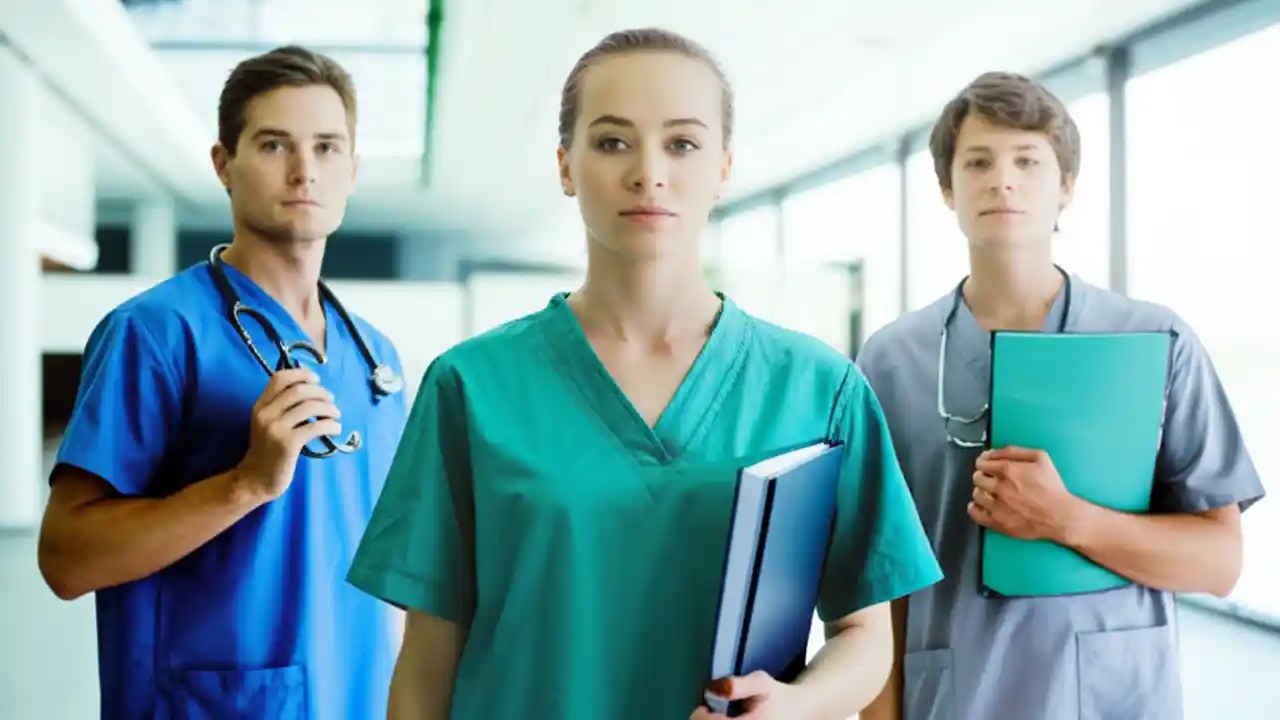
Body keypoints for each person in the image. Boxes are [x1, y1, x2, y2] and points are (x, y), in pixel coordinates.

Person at [346, 27, 942, 720]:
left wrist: (796, 705)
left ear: (723, 167)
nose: (648, 171)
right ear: (566, 165)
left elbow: (866, 636)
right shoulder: (470, 387)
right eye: (612, 141)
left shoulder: (820, 389)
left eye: (683, 143)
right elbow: (426, 656)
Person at [857, 71, 1265, 720]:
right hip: (958, 692)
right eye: (978, 161)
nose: (1003, 179)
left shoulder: (1155, 341)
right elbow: (879, 582)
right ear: (946, 189)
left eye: (1027, 159)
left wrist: (1067, 519)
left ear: (1066, 185)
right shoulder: (891, 359)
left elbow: (1219, 563)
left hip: (1108, 697)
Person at [37, 45, 409, 719]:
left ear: (353, 171)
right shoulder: (155, 334)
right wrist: (246, 483)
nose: (304, 170)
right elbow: (67, 560)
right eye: (274, 145)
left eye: (328, 148)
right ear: (223, 164)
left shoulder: (377, 361)